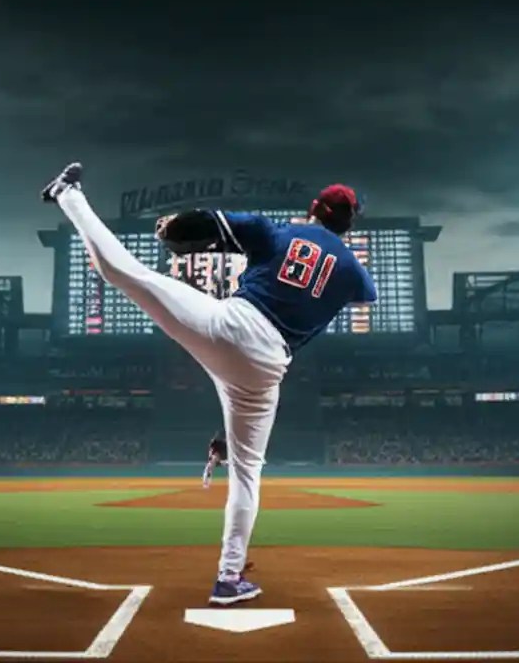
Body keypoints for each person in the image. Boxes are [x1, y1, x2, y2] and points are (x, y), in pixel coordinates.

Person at [42, 162, 375, 605]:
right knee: (246, 474)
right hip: (266, 368)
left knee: (129, 275)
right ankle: (229, 579)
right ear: (350, 224)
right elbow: (359, 290)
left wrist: (173, 227)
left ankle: (68, 195)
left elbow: (206, 221)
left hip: (229, 325)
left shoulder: (274, 231)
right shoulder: (357, 275)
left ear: (313, 208)